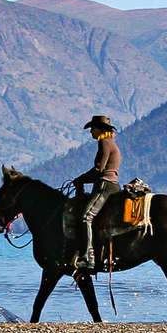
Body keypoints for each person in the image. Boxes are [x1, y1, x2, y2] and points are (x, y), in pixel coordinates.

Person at [71, 115, 121, 271]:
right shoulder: (111, 143)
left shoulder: (104, 143)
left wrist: (79, 180)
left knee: (86, 217)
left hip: (105, 186)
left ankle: (88, 257)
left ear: (100, 129)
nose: (91, 131)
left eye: (93, 128)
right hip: (112, 185)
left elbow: (99, 169)